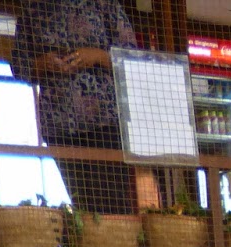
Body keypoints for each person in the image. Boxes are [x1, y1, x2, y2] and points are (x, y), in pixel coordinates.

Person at [11, 0, 139, 215]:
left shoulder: (104, 3)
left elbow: (132, 58)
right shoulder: (34, 7)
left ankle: (117, 235)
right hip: (60, 124)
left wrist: (97, 56)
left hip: (105, 120)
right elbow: (19, 65)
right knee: (83, 202)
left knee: (112, 201)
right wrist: (42, 64)